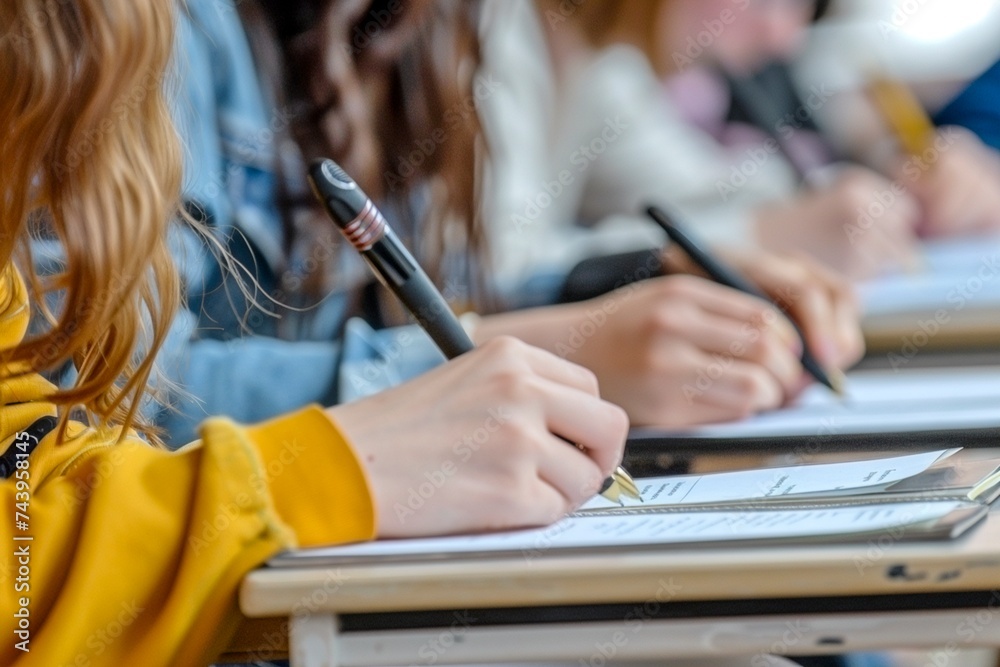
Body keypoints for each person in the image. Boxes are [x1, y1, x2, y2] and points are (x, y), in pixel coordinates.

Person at [0, 1, 631, 664]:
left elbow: (37, 460)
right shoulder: (148, 27)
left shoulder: (424, 38)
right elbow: (109, 407)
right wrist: (337, 464)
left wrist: (582, 293)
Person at [157, 0, 864, 447]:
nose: (781, 31)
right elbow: (124, 411)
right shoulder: (177, 31)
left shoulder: (431, 30)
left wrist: (644, 279)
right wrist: (565, 351)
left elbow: (459, 283)